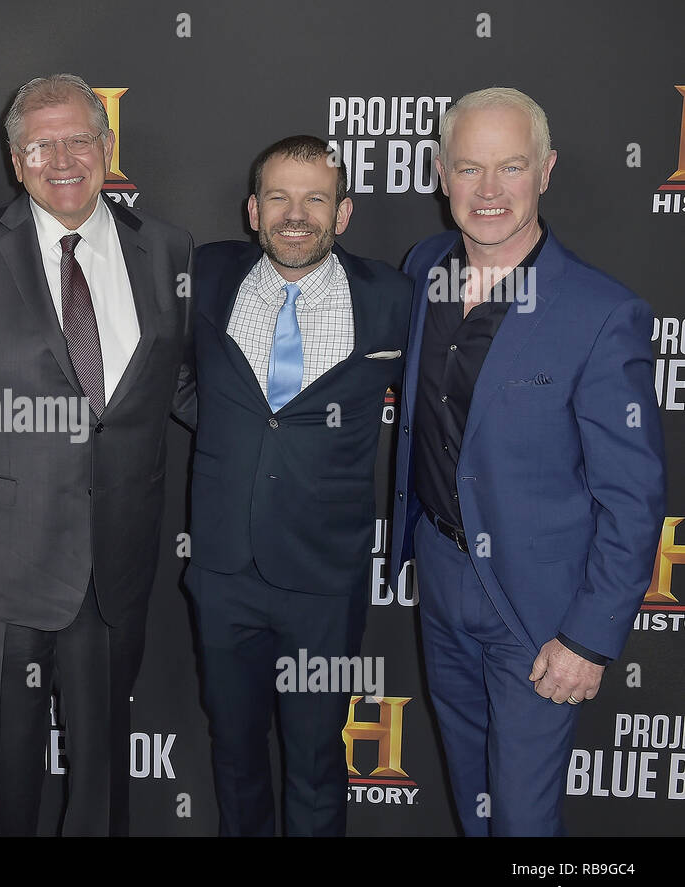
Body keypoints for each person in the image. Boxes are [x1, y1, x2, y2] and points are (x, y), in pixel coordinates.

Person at [0, 73, 193, 836]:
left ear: (107, 148)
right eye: (42, 144)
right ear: (15, 159)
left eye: (80, 139)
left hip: (116, 571)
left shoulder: (165, 248)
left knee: (102, 787)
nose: (62, 158)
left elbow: (182, 388)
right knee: (4, 787)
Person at [391, 87, 666, 836]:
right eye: (469, 168)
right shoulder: (422, 269)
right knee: (472, 798)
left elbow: (634, 498)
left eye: (510, 167)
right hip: (442, 581)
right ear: (440, 174)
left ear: (544, 171)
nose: (488, 191)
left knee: (521, 819)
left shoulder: (600, 313)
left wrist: (588, 638)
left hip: (538, 609)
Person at [183, 136, 411, 836]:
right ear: (253, 209)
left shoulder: (391, 298)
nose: (296, 214)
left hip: (323, 579)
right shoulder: (206, 274)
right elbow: (174, 380)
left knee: (317, 763)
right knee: (236, 754)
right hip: (224, 572)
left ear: (343, 212)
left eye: (316, 198)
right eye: (279, 196)